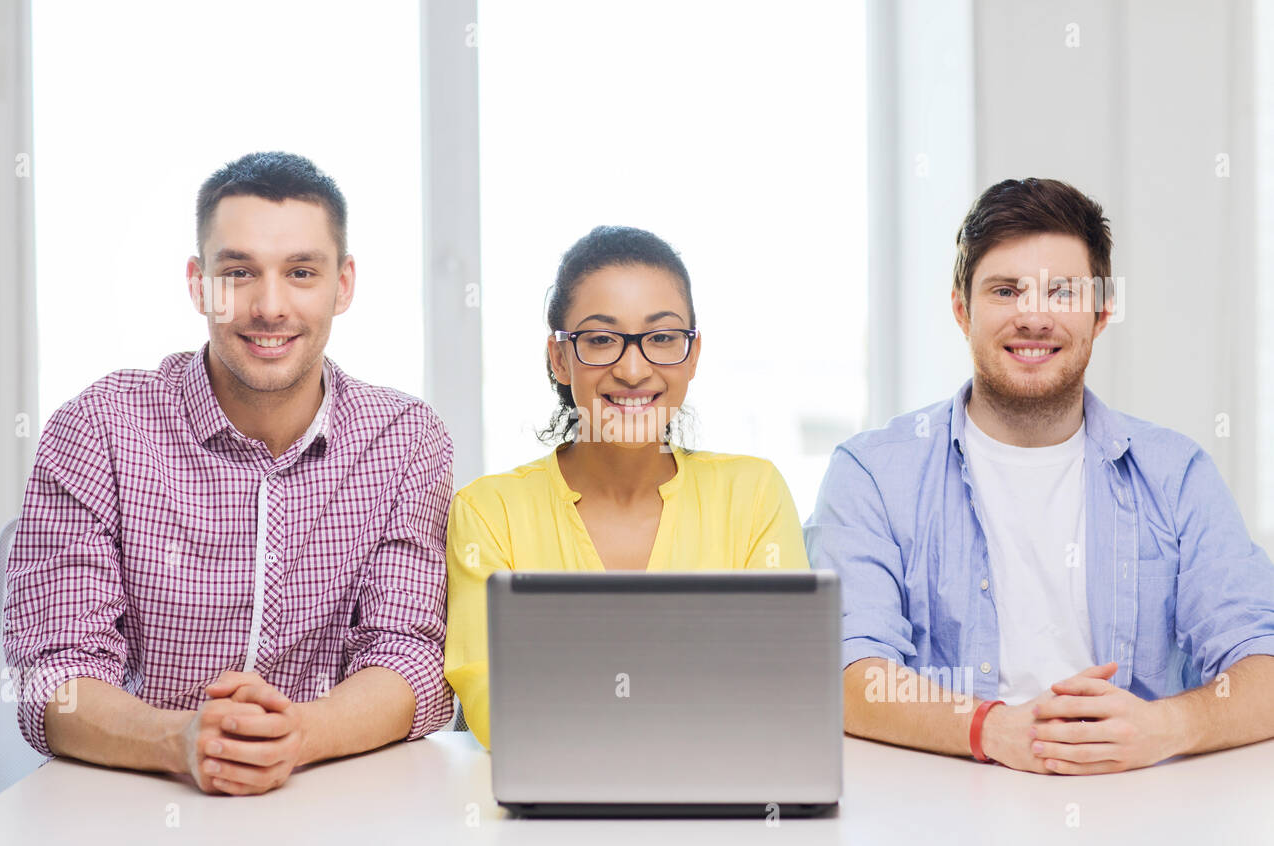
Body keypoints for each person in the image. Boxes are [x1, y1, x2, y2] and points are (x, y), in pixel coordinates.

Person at [3, 152, 454, 795]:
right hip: (129, 797)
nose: (269, 307)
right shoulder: (97, 427)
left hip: (330, 799)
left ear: (343, 284)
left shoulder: (407, 439)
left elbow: (409, 658)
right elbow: (55, 675)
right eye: (238, 272)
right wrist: (183, 740)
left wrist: (300, 735)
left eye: (302, 272)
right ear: (198, 283)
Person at [806, 178, 1274, 774]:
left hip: (1142, 808)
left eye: (1062, 291)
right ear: (962, 309)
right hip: (936, 807)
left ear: (1101, 312)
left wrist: (1165, 725)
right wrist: (992, 729)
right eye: (1005, 290)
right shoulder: (870, 473)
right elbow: (849, 674)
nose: (1034, 316)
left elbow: (1264, 661)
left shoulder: (1177, 474)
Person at [444, 226, 808, 749]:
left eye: (661, 338)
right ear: (559, 358)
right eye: (600, 339)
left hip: (717, 807)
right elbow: (497, 706)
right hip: (550, 813)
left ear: (693, 354)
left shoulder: (753, 495)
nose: (633, 369)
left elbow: (780, 688)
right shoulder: (489, 512)